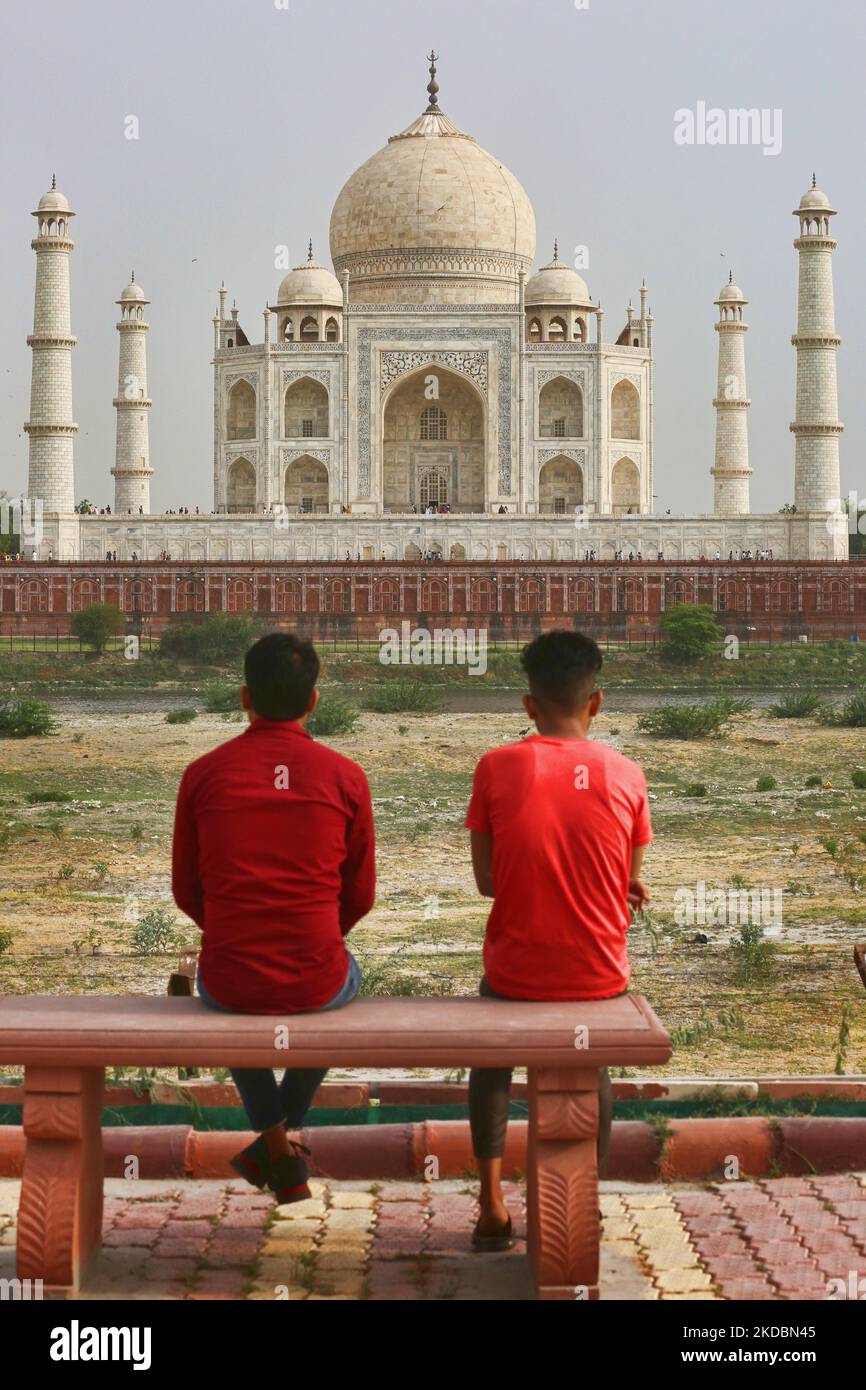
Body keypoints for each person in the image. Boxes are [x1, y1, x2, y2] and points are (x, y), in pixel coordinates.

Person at [464, 630, 652, 1250]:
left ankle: (491, 1204)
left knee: (490, 1066)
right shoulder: (627, 774)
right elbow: (628, 883)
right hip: (597, 974)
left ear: (528, 705)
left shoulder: (497, 766)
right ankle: (586, 1198)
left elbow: (488, 882)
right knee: (587, 1061)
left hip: (515, 972)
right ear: (595, 703)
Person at [172, 633, 375, 1203]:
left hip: (230, 976)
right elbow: (359, 894)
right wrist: (317, 937)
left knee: (234, 981)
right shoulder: (345, 776)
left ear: (244, 697)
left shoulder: (204, 774)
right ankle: (286, 1138)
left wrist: (236, 929)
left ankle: (276, 1142)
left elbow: (186, 890)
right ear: (313, 703)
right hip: (318, 973)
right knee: (346, 980)